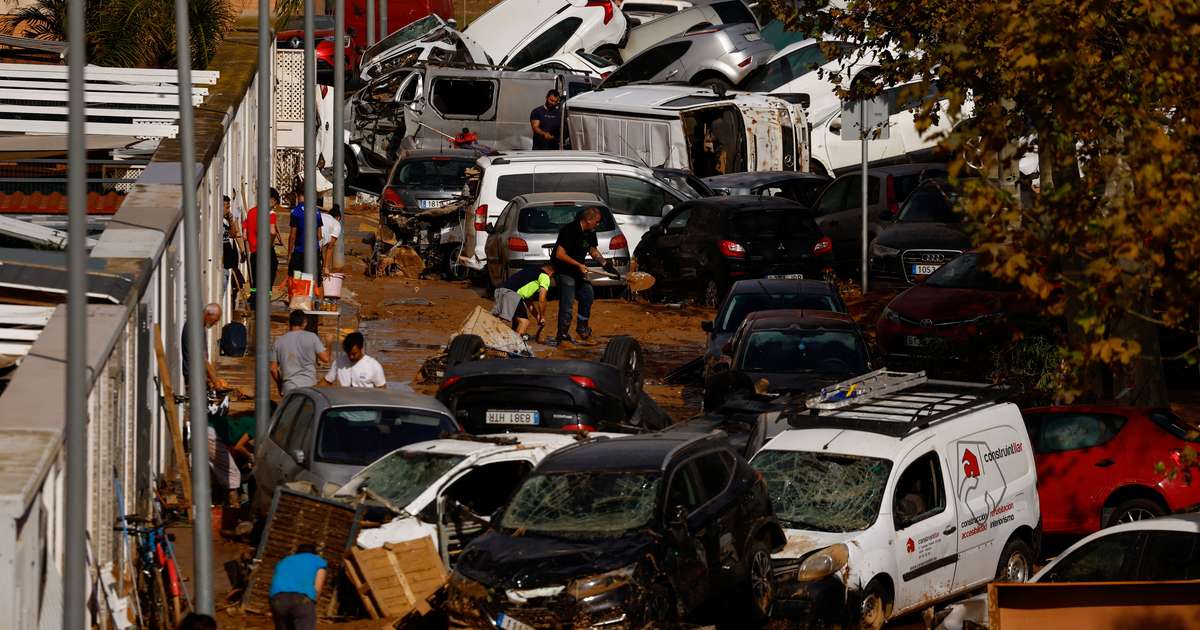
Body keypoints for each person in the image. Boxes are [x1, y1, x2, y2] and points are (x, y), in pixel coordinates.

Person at [550, 207, 613, 345]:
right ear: (588, 219)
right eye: (596, 222)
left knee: (587, 295)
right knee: (567, 305)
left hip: (578, 271)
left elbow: (592, 249)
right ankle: (562, 334)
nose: (598, 224)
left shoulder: (591, 232)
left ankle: (582, 328)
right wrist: (578, 265)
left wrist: (605, 264)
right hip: (564, 271)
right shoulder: (570, 230)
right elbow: (559, 254)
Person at [270, 309, 331, 395]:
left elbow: (273, 369)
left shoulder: (278, 341)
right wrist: (329, 343)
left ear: (289, 323)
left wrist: (281, 384)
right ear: (305, 323)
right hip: (309, 387)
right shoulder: (312, 337)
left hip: (288, 388)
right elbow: (326, 359)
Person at [269, 543, 327, 630]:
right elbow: (317, 587)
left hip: (278, 599)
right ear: (314, 553)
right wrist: (312, 604)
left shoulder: (284, 560)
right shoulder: (318, 560)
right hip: (302, 599)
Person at [492, 262, 554, 338]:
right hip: (511, 294)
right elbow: (542, 299)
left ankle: (489, 335)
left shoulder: (530, 271)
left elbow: (529, 303)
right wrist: (542, 316)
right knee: (524, 322)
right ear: (551, 273)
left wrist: (538, 317)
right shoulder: (545, 276)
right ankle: (516, 347)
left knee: (504, 319)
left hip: (500, 291)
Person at [244, 187, 282, 293]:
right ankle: (266, 299)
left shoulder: (250, 212)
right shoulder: (270, 213)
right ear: (271, 199)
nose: (274, 206)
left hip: (254, 252)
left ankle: (254, 301)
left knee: (256, 281)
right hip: (266, 251)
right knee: (268, 278)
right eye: (275, 203)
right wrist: (269, 245)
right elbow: (272, 231)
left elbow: (244, 235)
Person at [182, 303, 229, 390]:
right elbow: (202, 359)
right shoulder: (195, 327)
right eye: (215, 320)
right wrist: (216, 382)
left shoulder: (199, 326)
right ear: (207, 314)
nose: (215, 324)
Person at [287, 181, 324, 284]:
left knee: (296, 279)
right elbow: (319, 235)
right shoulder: (316, 211)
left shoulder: (295, 212)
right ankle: (317, 300)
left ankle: (298, 299)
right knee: (315, 280)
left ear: (297, 194)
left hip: (299, 253)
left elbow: (293, 236)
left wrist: (290, 254)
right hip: (314, 252)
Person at [323, 332, 387, 388]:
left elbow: (381, 389)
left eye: (354, 354)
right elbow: (327, 382)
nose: (351, 357)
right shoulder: (338, 362)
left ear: (361, 348)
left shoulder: (374, 366)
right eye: (348, 353)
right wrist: (313, 391)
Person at [320, 205, 342, 274]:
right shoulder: (337, 224)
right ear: (338, 218)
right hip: (315, 245)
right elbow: (330, 247)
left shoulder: (321, 215)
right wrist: (326, 267)